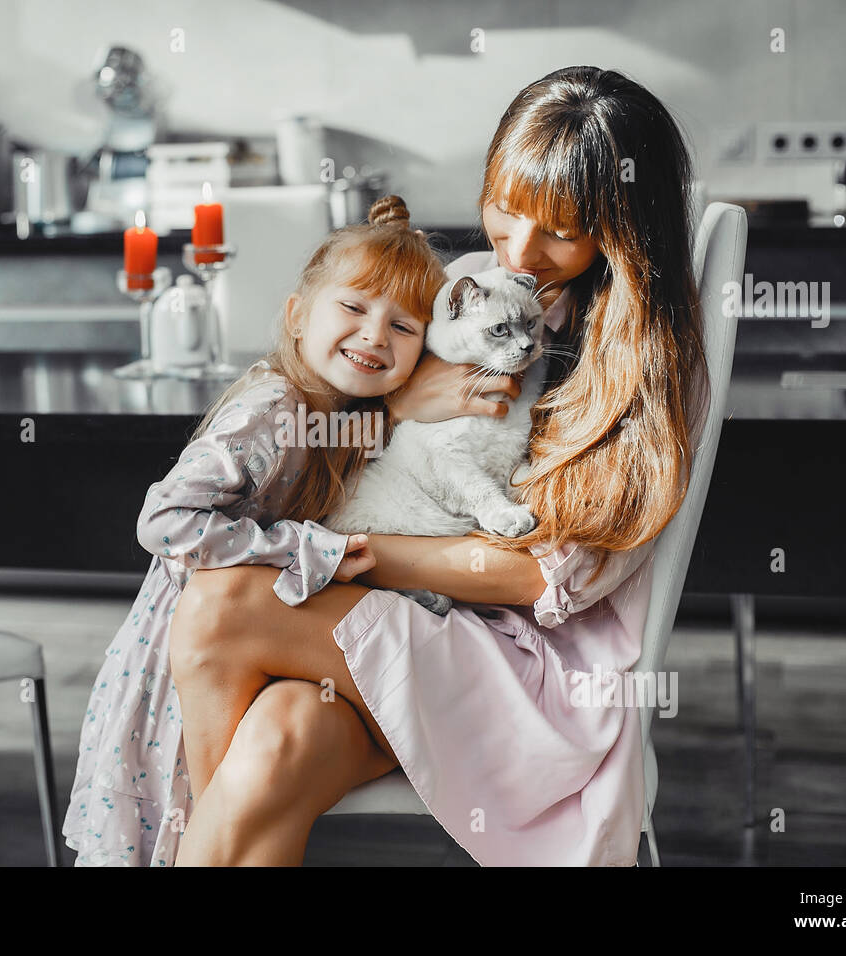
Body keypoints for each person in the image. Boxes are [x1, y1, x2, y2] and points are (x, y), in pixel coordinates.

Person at [168, 66, 711, 866]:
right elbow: (354, 444)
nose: (520, 251)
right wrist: (395, 410)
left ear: (624, 230)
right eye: (507, 209)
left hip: (526, 665)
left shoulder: (641, 367)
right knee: (278, 742)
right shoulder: (463, 290)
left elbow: (543, 580)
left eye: (561, 230)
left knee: (220, 606)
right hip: (408, 633)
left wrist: (359, 558)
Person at [62, 194, 492, 865]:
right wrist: (305, 548)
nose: (375, 334)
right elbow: (166, 520)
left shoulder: (346, 412)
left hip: (265, 642)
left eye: (403, 327)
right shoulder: (271, 409)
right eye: (352, 308)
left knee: (240, 802)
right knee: (196, 823)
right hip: (200, 655)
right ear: (297, 317)